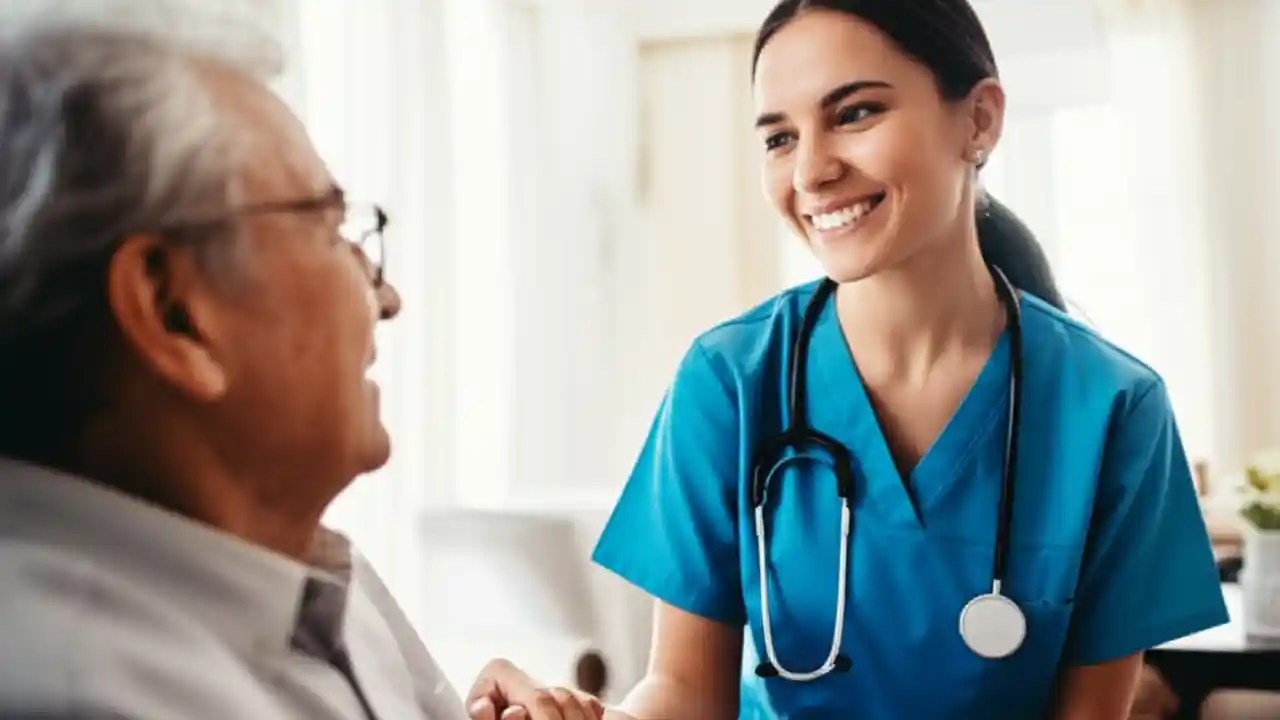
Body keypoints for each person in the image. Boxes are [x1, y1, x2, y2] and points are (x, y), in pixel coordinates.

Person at [590, 1, 1228, 718]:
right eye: (778, 138)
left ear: (979, 120)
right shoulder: (729, 381)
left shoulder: (1113, 407)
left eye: (855, 113)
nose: (811, 170)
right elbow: (682, 692)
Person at [0, 16, 603, 720]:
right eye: (330, 228)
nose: (386, 296)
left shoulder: (313, 578)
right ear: (174, 313)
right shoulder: (77, 689)